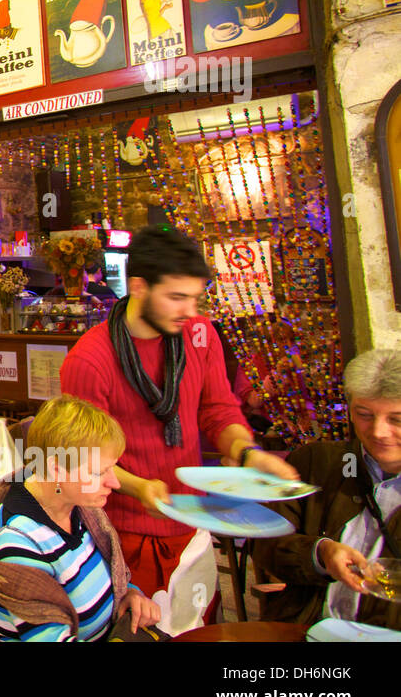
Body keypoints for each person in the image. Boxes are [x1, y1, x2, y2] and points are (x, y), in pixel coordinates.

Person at [59, 226, 297, 632]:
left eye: (195, 298)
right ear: (137, 286)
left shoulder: (200, 336)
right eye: (176, 297)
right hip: (124, 534)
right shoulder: (90, 359)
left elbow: (219, 411)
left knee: (201, 631)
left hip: (192, 523)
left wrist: (248, 453)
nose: (189, 311)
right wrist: (140, 488)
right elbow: (83, 462)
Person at [0, 395, 161, 641]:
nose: (115, 482)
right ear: (56, 469)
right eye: (99, 472)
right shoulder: (16, 543)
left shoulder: (75, 502)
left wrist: (130, 594)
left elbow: (105, 576)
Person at [252, 349, 401, 630]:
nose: (379, 432)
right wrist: (320, 553)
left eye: (397, 419)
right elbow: (263, 544)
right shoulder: (316, 462)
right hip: (307, 629)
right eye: (364, 414)